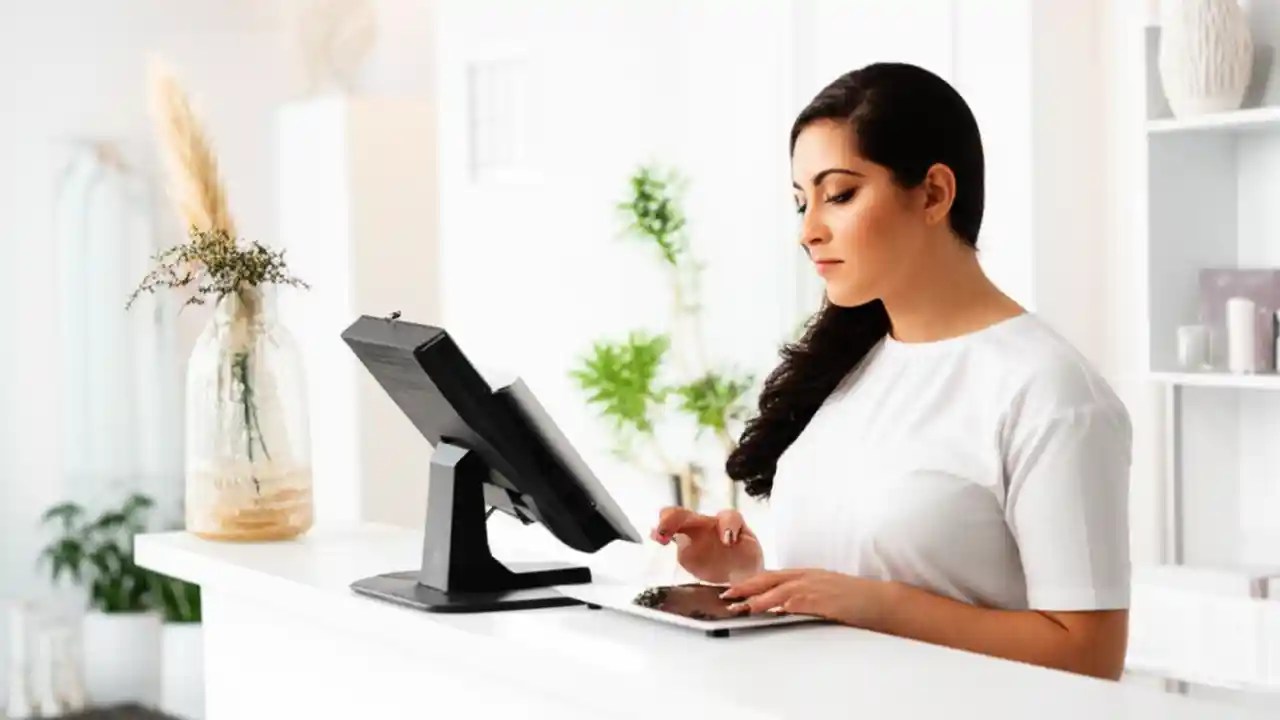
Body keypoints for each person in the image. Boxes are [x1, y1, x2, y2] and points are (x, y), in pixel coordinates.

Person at [650, 63, 1131, 681]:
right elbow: (848, 589)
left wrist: (874, 604)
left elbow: (1088, 654)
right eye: (802, 202)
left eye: (840, 194)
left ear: (933, 193)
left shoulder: (1051, 392)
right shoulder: (852, 369)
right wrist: (749, 576)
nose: (808, 230)